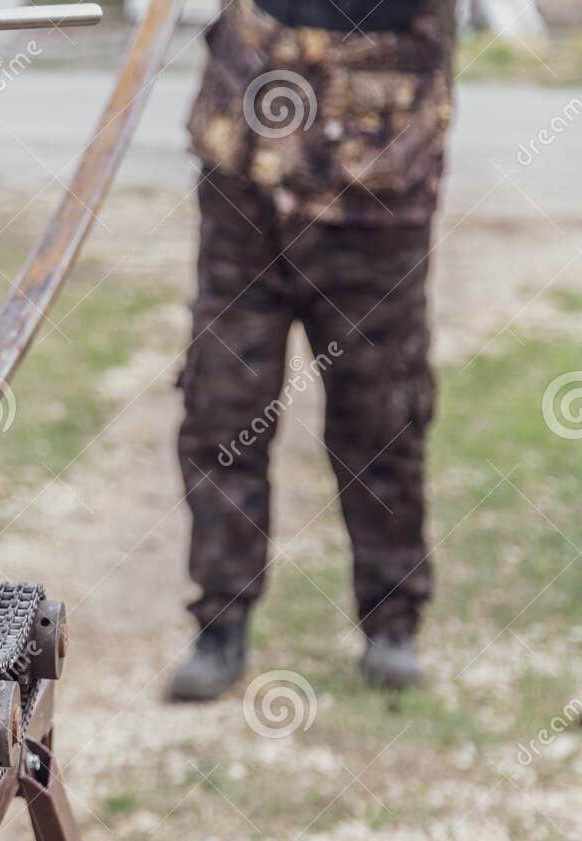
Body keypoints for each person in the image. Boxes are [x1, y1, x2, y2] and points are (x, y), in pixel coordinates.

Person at [169, 0, 455, 701]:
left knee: (380, 416)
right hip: (249, 173)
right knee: (224, 409)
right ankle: (221, 622)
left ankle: (392, 622)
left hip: (376, 183)